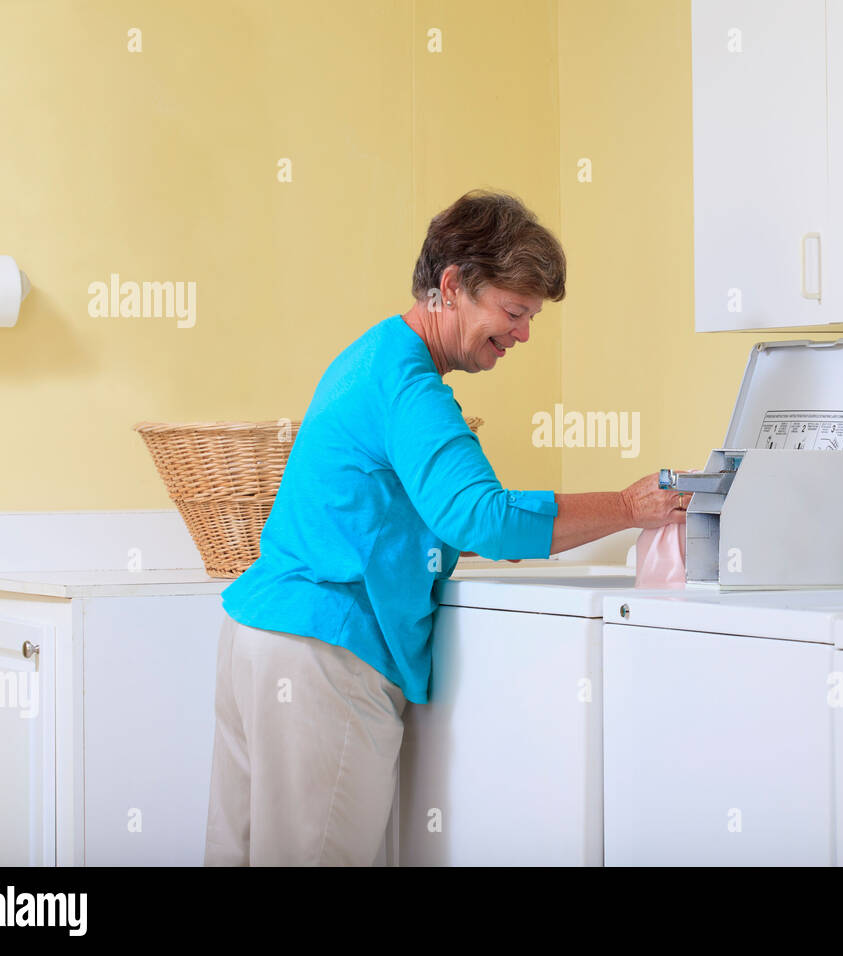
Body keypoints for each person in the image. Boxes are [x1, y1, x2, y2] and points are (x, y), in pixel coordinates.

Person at [204, 189, 684, 866]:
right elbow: (479, 515)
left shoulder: (371, 358)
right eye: (515, 312)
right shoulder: (407, 383)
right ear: (452, 287)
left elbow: (421, 516)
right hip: (322, 654)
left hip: (259, 637)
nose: (523, 333)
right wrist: (630, 509)